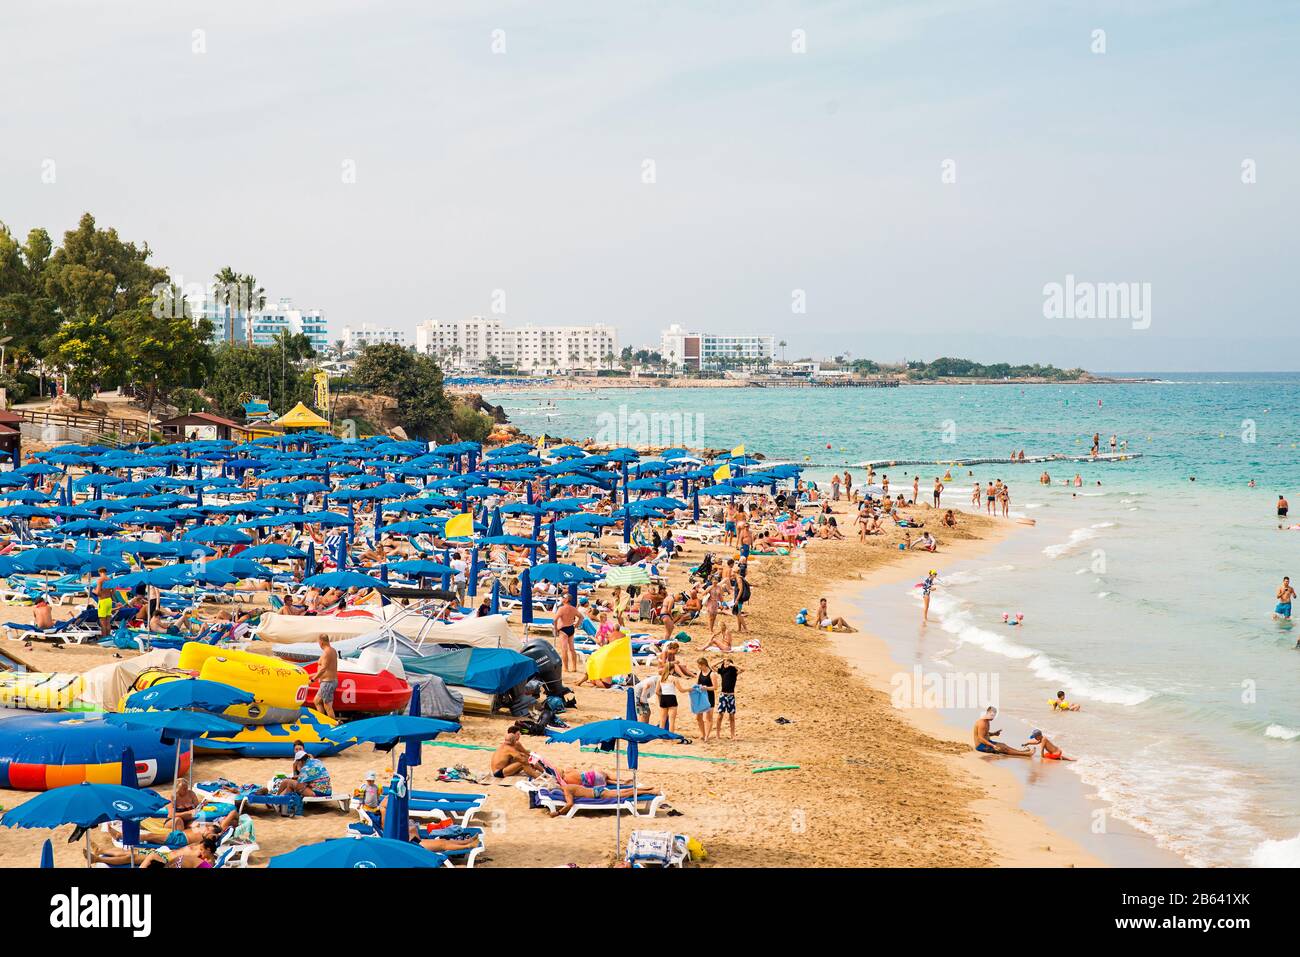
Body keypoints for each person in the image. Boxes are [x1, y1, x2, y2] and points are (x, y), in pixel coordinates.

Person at [551, 593, 584, 674]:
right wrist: (576, 625)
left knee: (564, 649)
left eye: (563, 597)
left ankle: (565, 668)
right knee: (572, 649)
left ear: (566, 600)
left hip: (563, 629)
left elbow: (555, 620)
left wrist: (555, 628)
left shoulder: (561, 609)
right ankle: (574, 667)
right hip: (571, 628)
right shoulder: (573, 608)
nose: (561, 598)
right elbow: (581, 617)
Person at [715, 656, 741, 740]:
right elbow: (712, 666)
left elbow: (743, 669)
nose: (726, 664)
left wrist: (733, 665)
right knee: (720, 715)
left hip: (731, 696)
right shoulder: (722, 671)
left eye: (727, 663)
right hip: (723, 695)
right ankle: (718, 735)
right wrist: (720, 661)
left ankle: (732, 735)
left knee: (732, 716)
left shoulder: (734, 672)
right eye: (725, 663)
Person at [313, 633, 338, 719]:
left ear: (321, 642)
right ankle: (323, 720)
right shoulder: (333, 650)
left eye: (319, 642)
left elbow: (323, 669)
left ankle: (333, 725)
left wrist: (313, 680)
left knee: (327, 705)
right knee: (317, 701)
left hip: (327, 683)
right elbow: (328, 668)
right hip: (328, 682)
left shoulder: (327, 653)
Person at [693, 656, 716, 742]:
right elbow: (696, 684)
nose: (699, 667)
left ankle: (707, 735)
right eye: (698, 665)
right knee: (698, 717)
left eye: (700, 665)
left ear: (704, 665)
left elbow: (715, 687)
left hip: (709, 696)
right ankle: (703, 734)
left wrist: (706, 688)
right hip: (700, 696)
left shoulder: (712, 674)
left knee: (709, 717)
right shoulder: (699, 673)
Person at [94, 568, 112, 637]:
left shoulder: (100, 580)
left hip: (103, 601)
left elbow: (98, 592)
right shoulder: (110, 580)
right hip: (109, 600)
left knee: (102, 622)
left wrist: (93, 591)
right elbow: (113, 592)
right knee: (108, 621)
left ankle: (104, 637)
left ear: (100, 572)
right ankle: (108, 636)